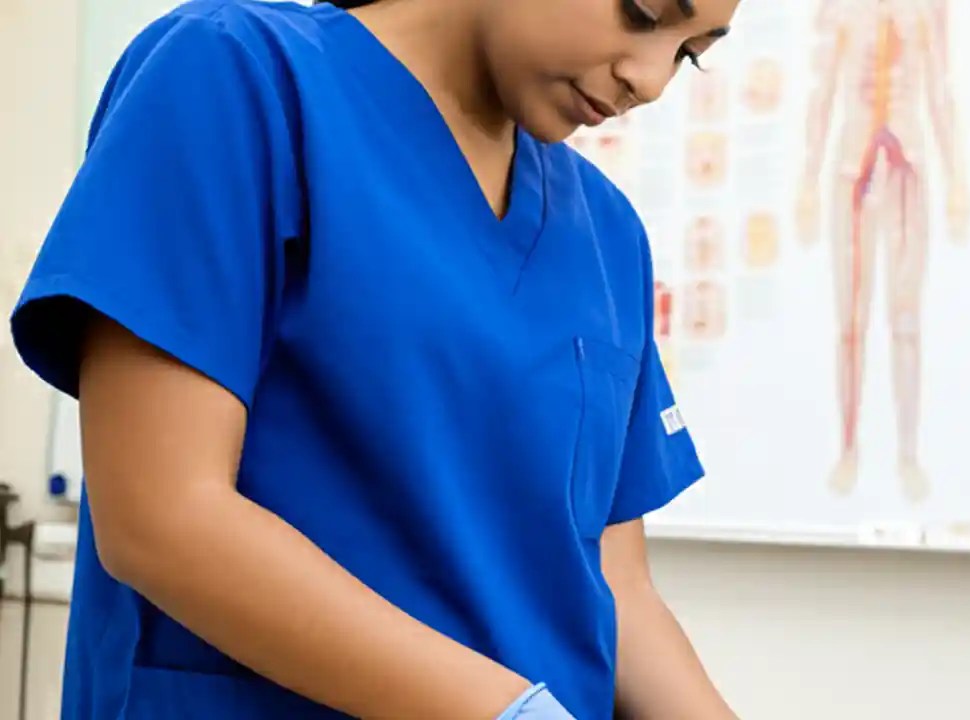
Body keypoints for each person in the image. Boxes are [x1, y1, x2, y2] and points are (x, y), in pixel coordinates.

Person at [9, 0, 740, 717]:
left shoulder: (608, 235)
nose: (651, 79)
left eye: (690, 52)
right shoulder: (237, 73)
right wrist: (507, 710)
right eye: (642, 15)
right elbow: (163, 518)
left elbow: (616, 585)